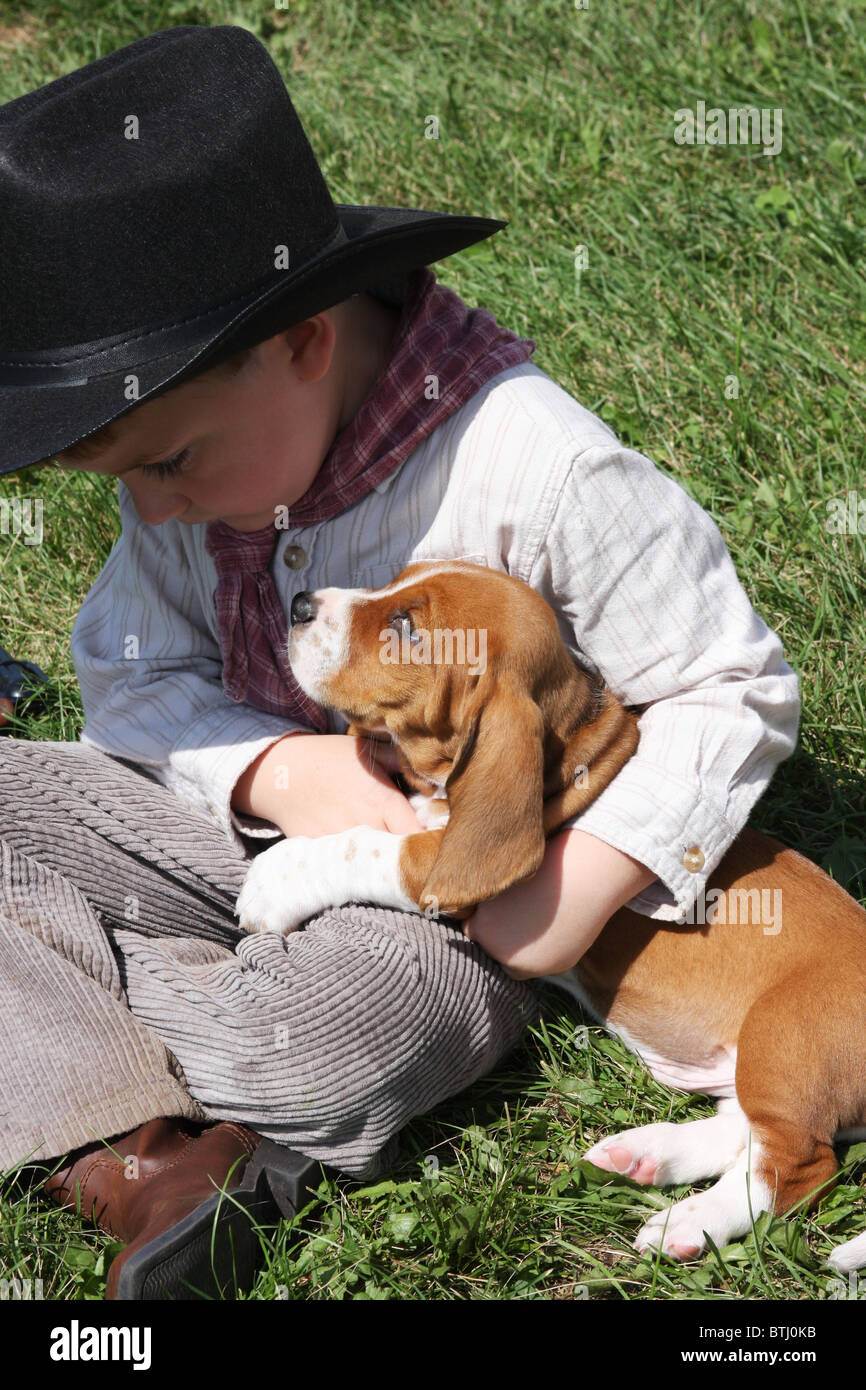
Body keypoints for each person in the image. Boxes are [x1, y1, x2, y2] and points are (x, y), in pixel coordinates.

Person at [0, 25, 800, 1300]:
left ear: (306, 339)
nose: (148, 513)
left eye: (164, 465)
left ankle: (143, 1089)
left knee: (326, 1047)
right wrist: (276, 770)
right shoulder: (188, 478)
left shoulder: (534, 463)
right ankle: (172, 1142)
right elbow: (131, 673)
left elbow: (731, 685)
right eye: (118, 479)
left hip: (445, 898)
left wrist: (569, 891)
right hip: (242, 832)